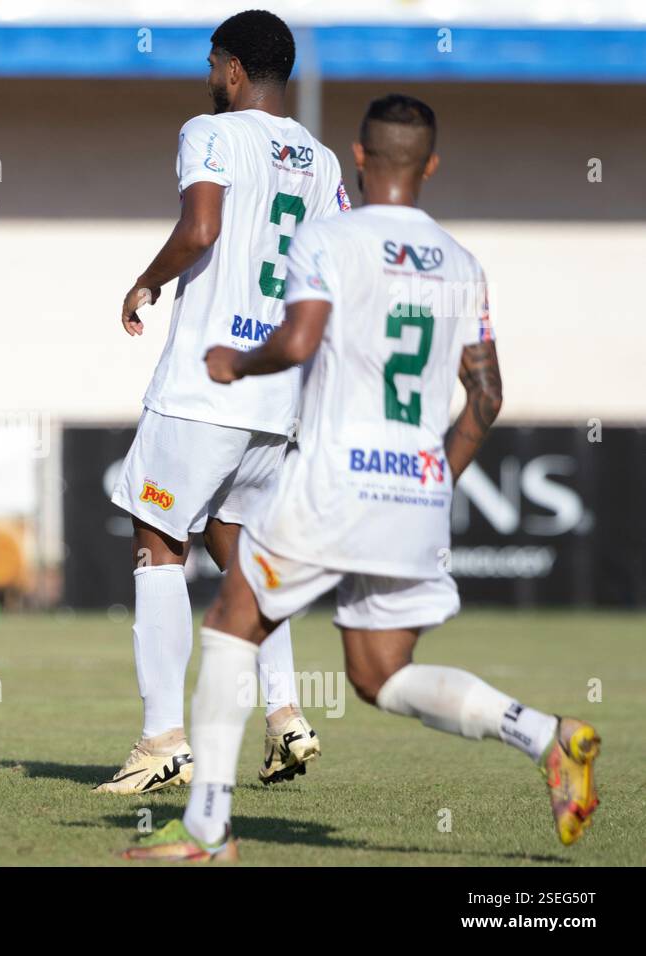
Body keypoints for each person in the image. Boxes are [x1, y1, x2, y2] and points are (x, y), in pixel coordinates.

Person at [124, 94, 599, 860]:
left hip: (336, 479)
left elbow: (300, 337)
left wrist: (236, 361)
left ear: (360, 158)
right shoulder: (462, 264)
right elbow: (486, 397)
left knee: (229, 624)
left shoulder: (331, 238)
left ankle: (207, 831)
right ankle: (551, 737)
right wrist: (435, 478)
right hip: (415, 490)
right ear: (433, 165)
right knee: (381, 675)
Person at [100, 9, 348, 794]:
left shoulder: (208, 133)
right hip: (277, 391)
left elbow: (200, 226)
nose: (210, 79)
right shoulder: (326, 160)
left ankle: (161, 741)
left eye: (214, 65)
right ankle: (285, 717)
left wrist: (147, 278)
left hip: (208, 383)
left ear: (234, 69)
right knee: (236, 545)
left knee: (157, 538)